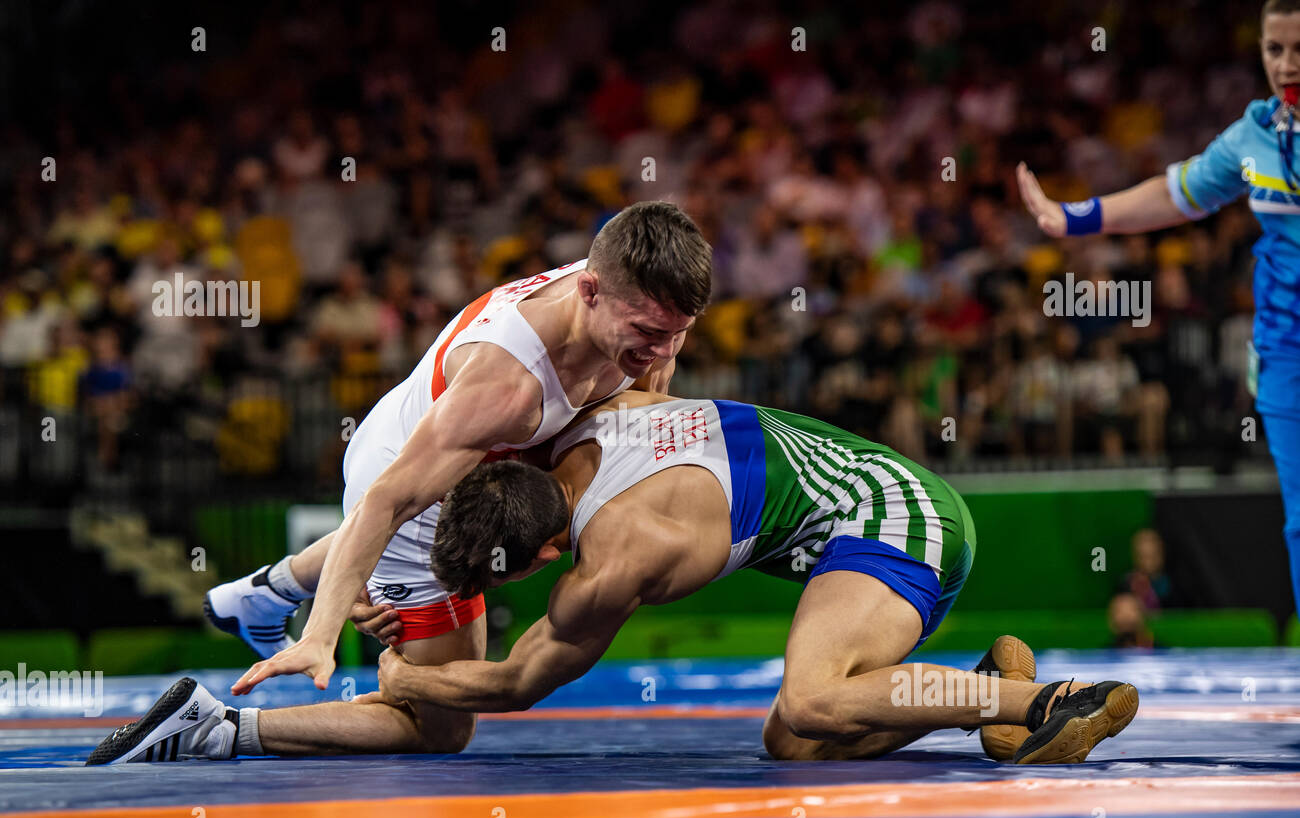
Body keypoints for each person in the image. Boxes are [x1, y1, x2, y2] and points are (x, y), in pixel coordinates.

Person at [91, 393, 1139, 765]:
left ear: (552, 557)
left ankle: (1046, 702)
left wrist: (400, 685)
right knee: (792, 737)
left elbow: (510, 686)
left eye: (506, 592)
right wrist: (363, 597)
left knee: (810, 697)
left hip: (897, 517)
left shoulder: (613, 562)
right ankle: (974, 698)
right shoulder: (568, 431)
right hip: (850, 517)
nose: (501, 609)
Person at [201, 201, 711, 755]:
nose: (662, 352)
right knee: (439, 730)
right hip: (408, 489)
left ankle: (266, 592)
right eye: (646, 333)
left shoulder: (631, 290)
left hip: (457, 439)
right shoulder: (509, 383)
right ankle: (215, 728)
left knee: (553, 496)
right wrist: (322, 633)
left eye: (677, 333)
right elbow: (387, 503)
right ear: (588, 292)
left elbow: (636, 420)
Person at [1017, 0, 1300, 613]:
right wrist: (1074, 218)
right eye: (1275, 49)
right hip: (1286, 351)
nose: (1287, 65)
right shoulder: (1255, 135)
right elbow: (1177, 194)